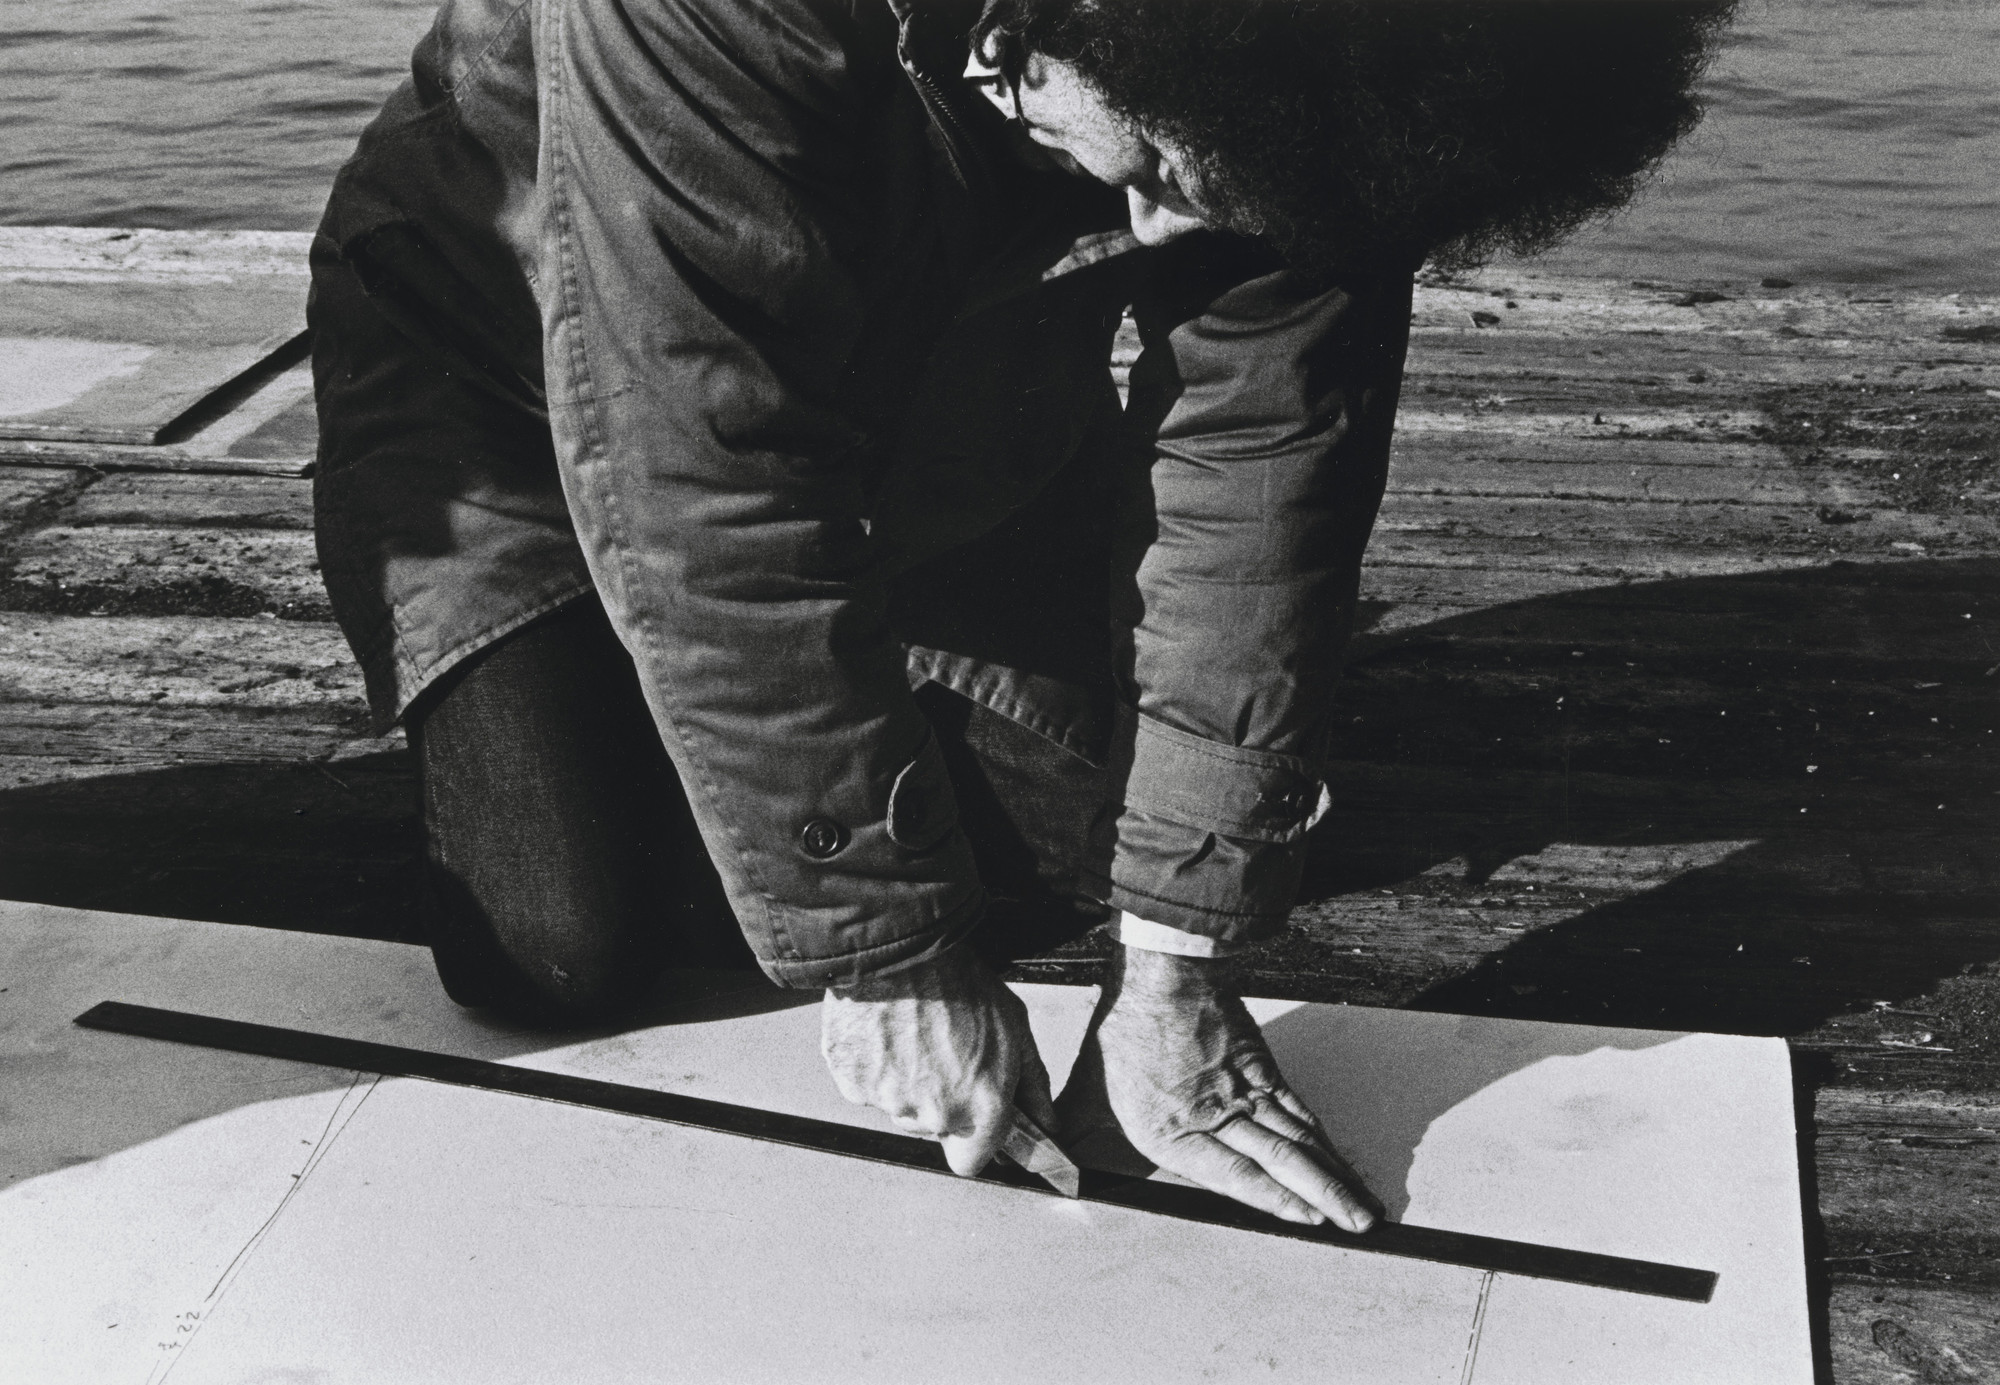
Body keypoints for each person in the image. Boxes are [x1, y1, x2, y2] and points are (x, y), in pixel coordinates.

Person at [310, 0, 1734, 1229]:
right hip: (493, 383)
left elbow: (1266, 456)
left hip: (913, 389)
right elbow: (704, 455)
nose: (1175, 229)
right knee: (557, 941)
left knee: (1107, 840)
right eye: (1172, 167)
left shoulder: (1342, 72)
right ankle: (601, 682)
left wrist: (1179, 956)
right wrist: (885, 946)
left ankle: (713, 711)